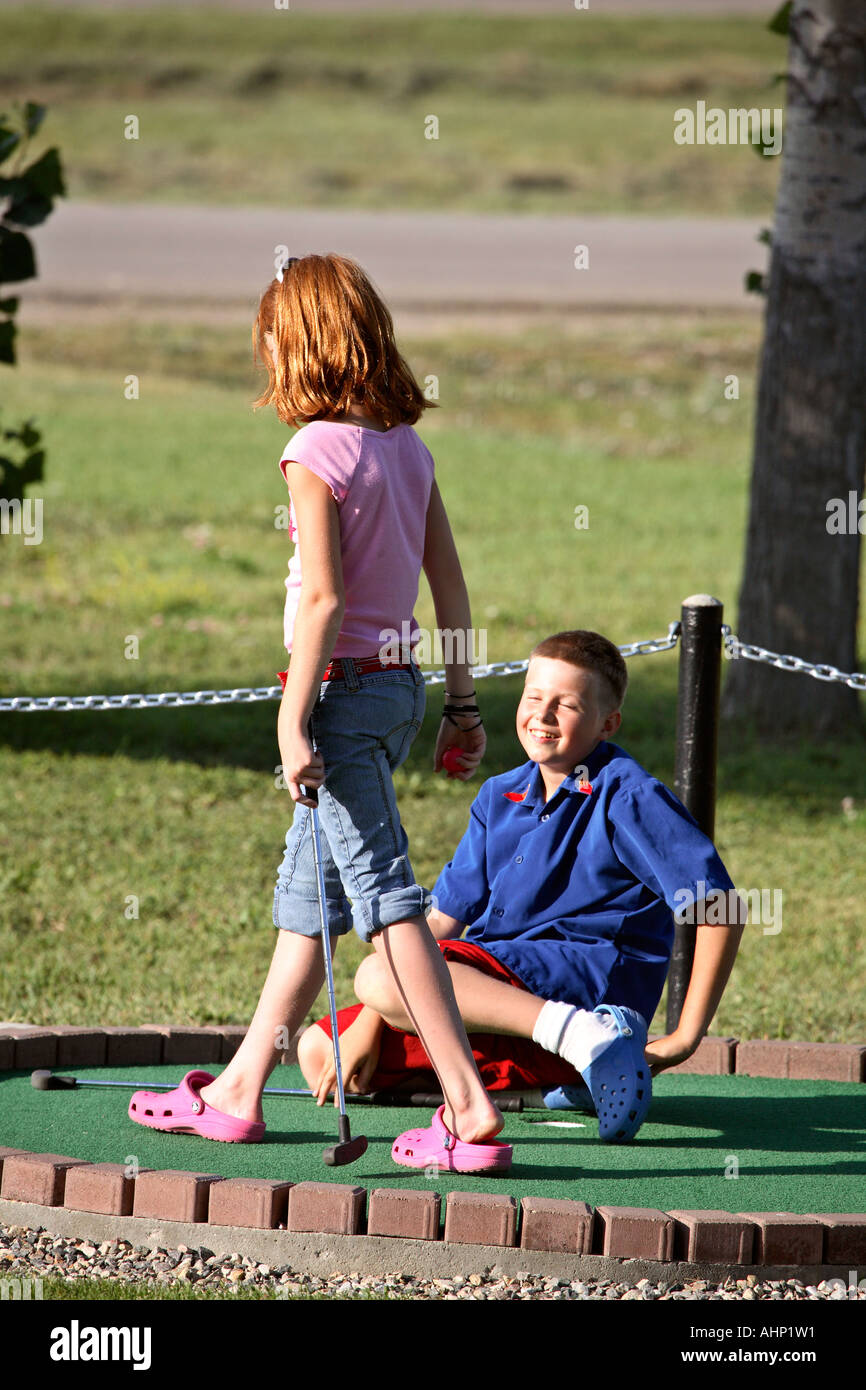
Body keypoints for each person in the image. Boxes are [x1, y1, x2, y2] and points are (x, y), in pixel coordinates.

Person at [128, 252, 512, 1173]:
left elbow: (325, 604)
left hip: (339, 697)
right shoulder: (409, 450)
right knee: (310, 905)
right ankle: (240, 1089)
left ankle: (467, 1106)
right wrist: (461, 705)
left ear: (298, 346)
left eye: (269, 342)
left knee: (386, 902)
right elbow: (450, 588)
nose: (264, 360)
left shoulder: (313, 451)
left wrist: (290, 720)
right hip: (399, 693)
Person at [298, 629, 745, 1145]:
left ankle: (588, 1042)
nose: (543, 715)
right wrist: (373, 1021)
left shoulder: (629, 793)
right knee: (319, 1052)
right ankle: (566, 1084)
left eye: (567, 704)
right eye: (534, 697)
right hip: (503, 997)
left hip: (588, 990)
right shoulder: (497, 796)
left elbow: (720, 905)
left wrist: (685, 1038)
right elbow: (439, 925)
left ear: (608, 724)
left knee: (380, 974)